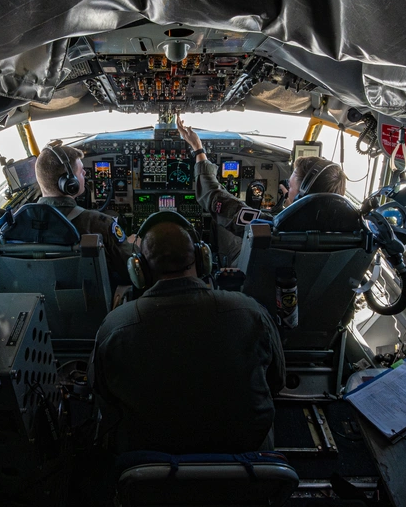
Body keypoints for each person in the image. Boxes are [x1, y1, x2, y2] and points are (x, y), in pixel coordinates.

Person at [90, 211, 286, 454]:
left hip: (149, 466)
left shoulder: (114, 326)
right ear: (203, 259)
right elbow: (277, 381)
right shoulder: (251, 312)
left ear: (138, 270)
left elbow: (101, 395)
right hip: (245, 459)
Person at [177, 114, 346, 264]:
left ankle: (221, 266)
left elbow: (215, 198)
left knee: (220, 220)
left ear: (303, 194)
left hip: (253, 273)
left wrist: (198, 149)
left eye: (291, 186)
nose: (285, 187)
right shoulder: (344, 236)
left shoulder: (273, 226)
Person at [35, 142, 133, 285]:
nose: (85, 173)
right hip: (99, 302)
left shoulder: (16, 225)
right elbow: (130, 269)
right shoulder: (99, 224)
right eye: (81, 171)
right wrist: (133, 243)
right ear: (69, 183)